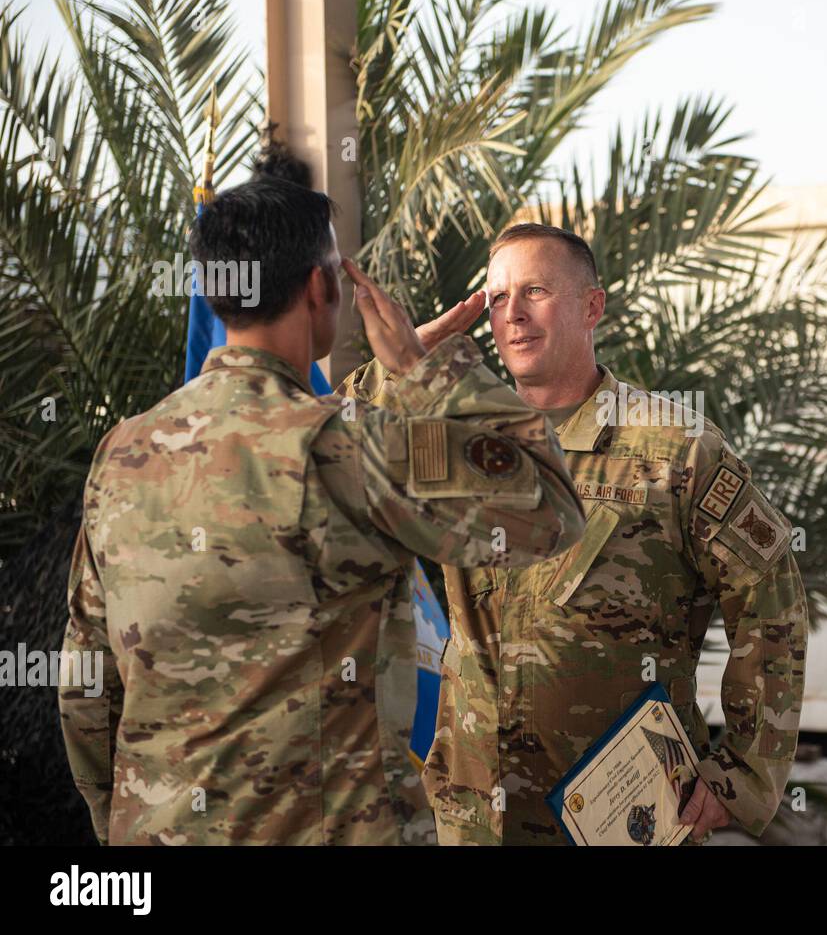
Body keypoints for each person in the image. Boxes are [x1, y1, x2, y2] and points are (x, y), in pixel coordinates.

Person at [57, 179, 585, 845]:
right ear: (321, 288)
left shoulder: (121, 454)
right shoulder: (349, 449)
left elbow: (85, 684)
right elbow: (552, 507)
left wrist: (120, 822)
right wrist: (428, 376)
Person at [339, 223, 808, 845]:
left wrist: (743, 774)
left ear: (592, 306)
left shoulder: (674, 449)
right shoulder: (461, 437)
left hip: (621, 817)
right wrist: (396, 371)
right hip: (472, 814)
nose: (514, 315)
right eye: (499, 297)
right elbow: (331, 452)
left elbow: (770, 601)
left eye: (535, 291)